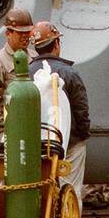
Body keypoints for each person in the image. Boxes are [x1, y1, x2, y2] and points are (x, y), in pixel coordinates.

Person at [29, 22, 90, 207]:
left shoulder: (24, 74)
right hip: (70, 144)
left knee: (39, 190)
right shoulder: (70, 73)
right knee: (70, 190)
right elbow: (81, 110)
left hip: (36, 146)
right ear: (56, 44)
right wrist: (81, 136)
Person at [0, 8, 36, 133]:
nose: (25, 37)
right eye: (20, 33)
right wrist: (5, 132)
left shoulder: (35, 57)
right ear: (8, 33)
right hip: (9, 132)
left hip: (33, 128)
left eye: (27, 33)